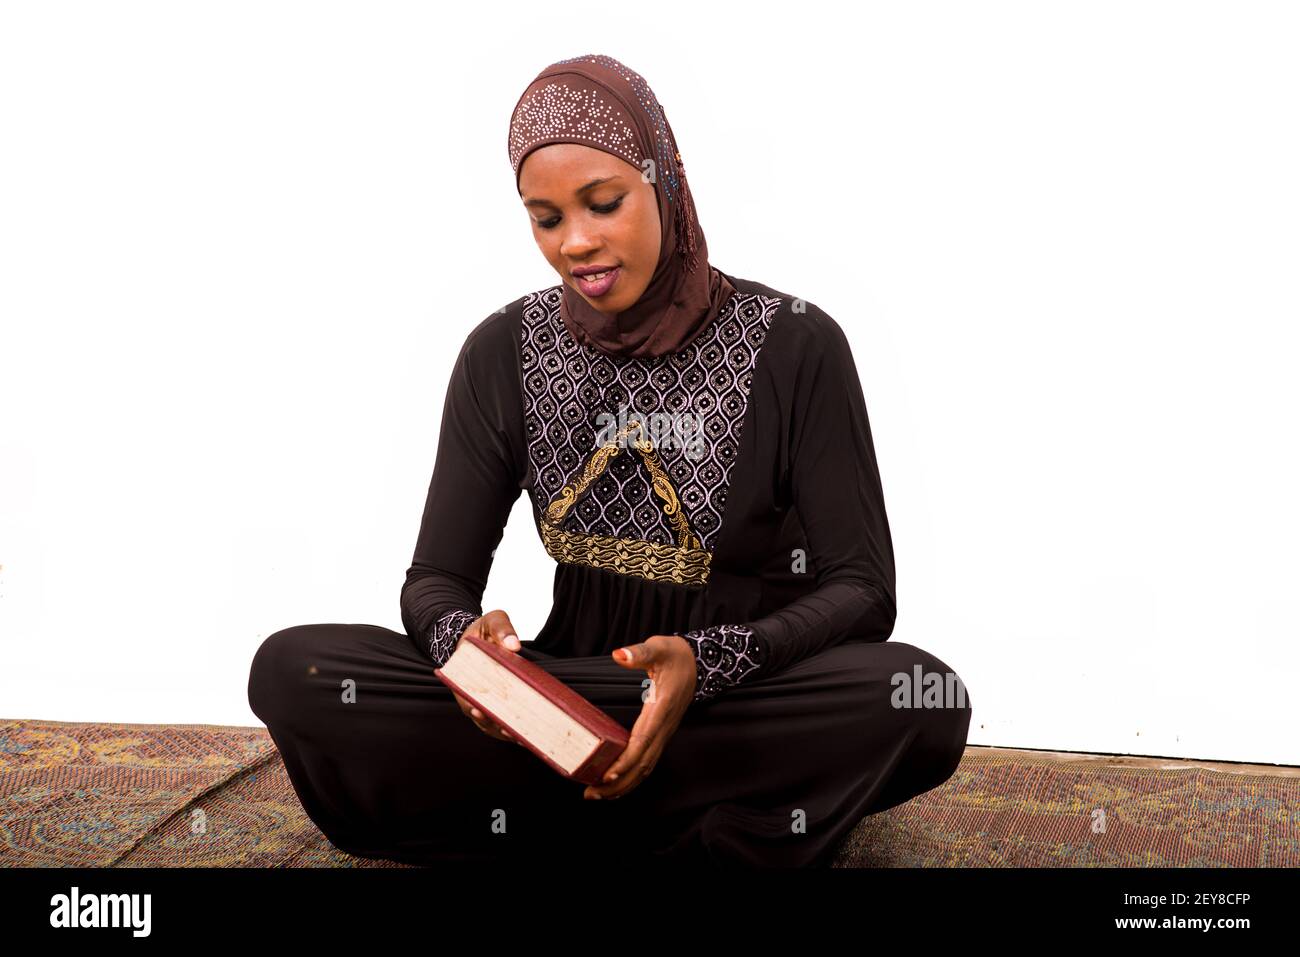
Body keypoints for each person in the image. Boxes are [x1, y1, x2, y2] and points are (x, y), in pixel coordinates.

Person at [247, 53, 972, 869]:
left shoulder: (795, 344)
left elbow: (863, 588)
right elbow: (433, 579)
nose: (577, 242)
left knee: (918, 695)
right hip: (564, 695)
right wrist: (472, 654)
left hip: (728, 704)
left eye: (603, 203)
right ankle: (667, 819)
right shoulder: (503, 352)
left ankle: (552, 819)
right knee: (296, 666)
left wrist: (709, 662)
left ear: (665, 184)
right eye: (546, 218)